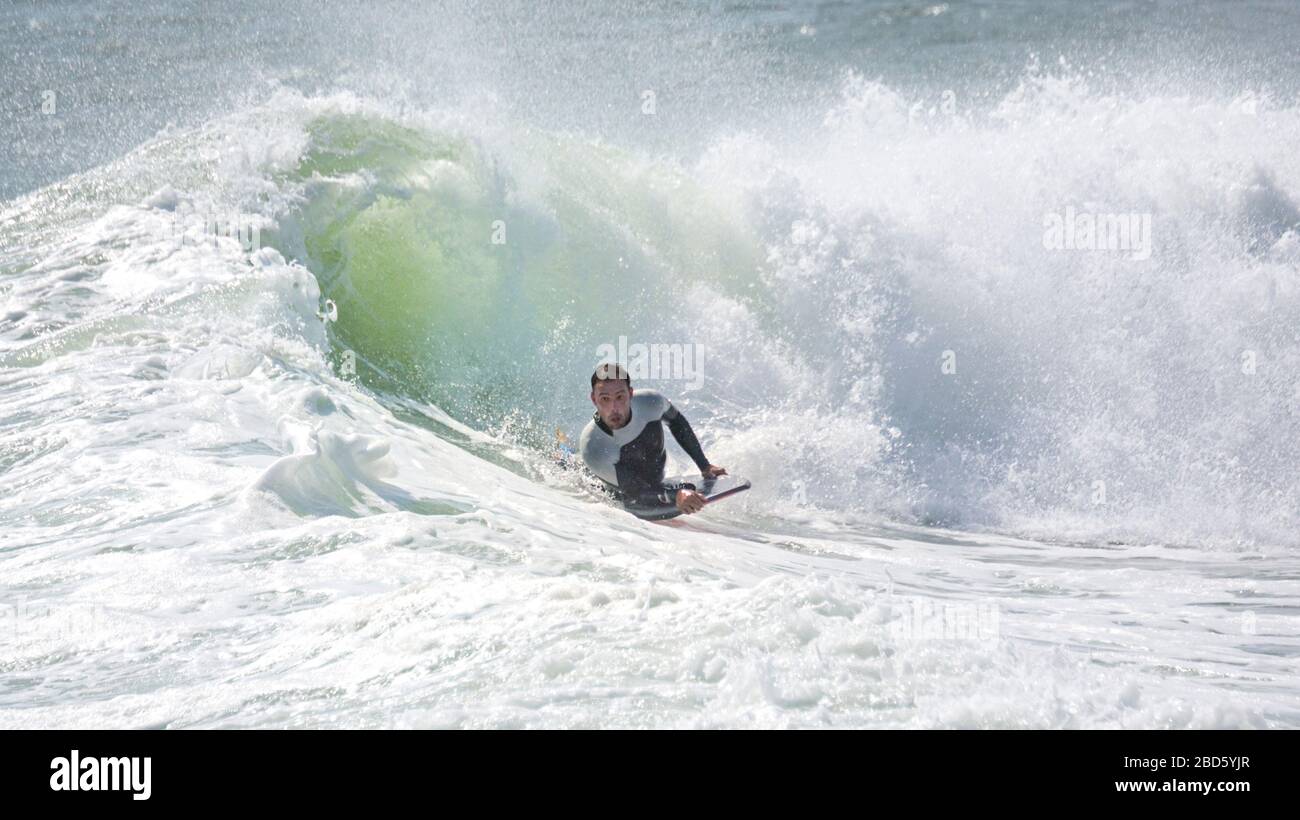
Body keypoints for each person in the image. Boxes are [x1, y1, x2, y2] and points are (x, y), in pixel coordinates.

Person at [579, 362, 726, 515]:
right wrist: (676, 495)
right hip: (624, 495)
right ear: (594, 399)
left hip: (655, 484)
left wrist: (705, 466)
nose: (614, 408)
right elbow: (636, 495)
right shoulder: (594, 447)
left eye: (620, 397)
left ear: (630, 393)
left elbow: (677, 423)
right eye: (605, 399)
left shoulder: (650, 402)